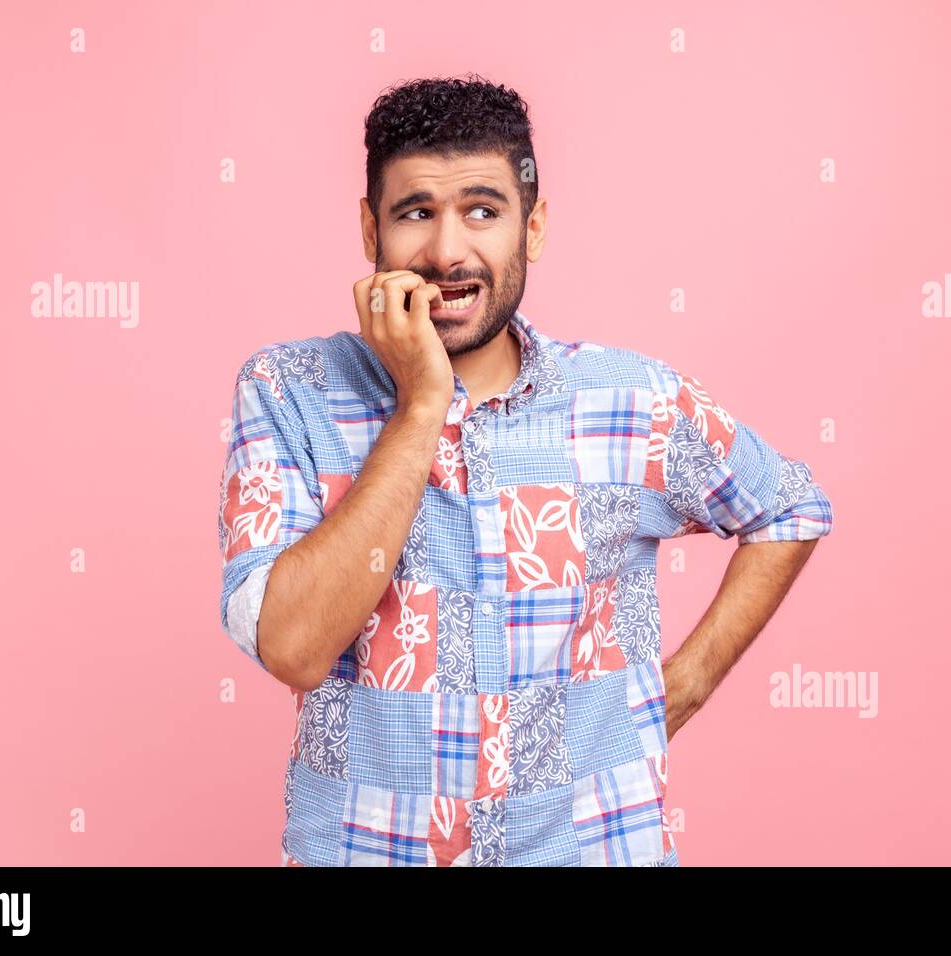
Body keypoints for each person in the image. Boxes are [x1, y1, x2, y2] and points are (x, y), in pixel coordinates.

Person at [216, 74, 834, 866]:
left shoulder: (634, 399)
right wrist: (420, 406)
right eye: (415, 214)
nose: (446, 251)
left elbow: (788, 508)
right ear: (371, 232)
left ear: (532, 228)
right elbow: (295, 648)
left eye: (483, 209)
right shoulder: (287, 392)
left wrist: (682, 687)